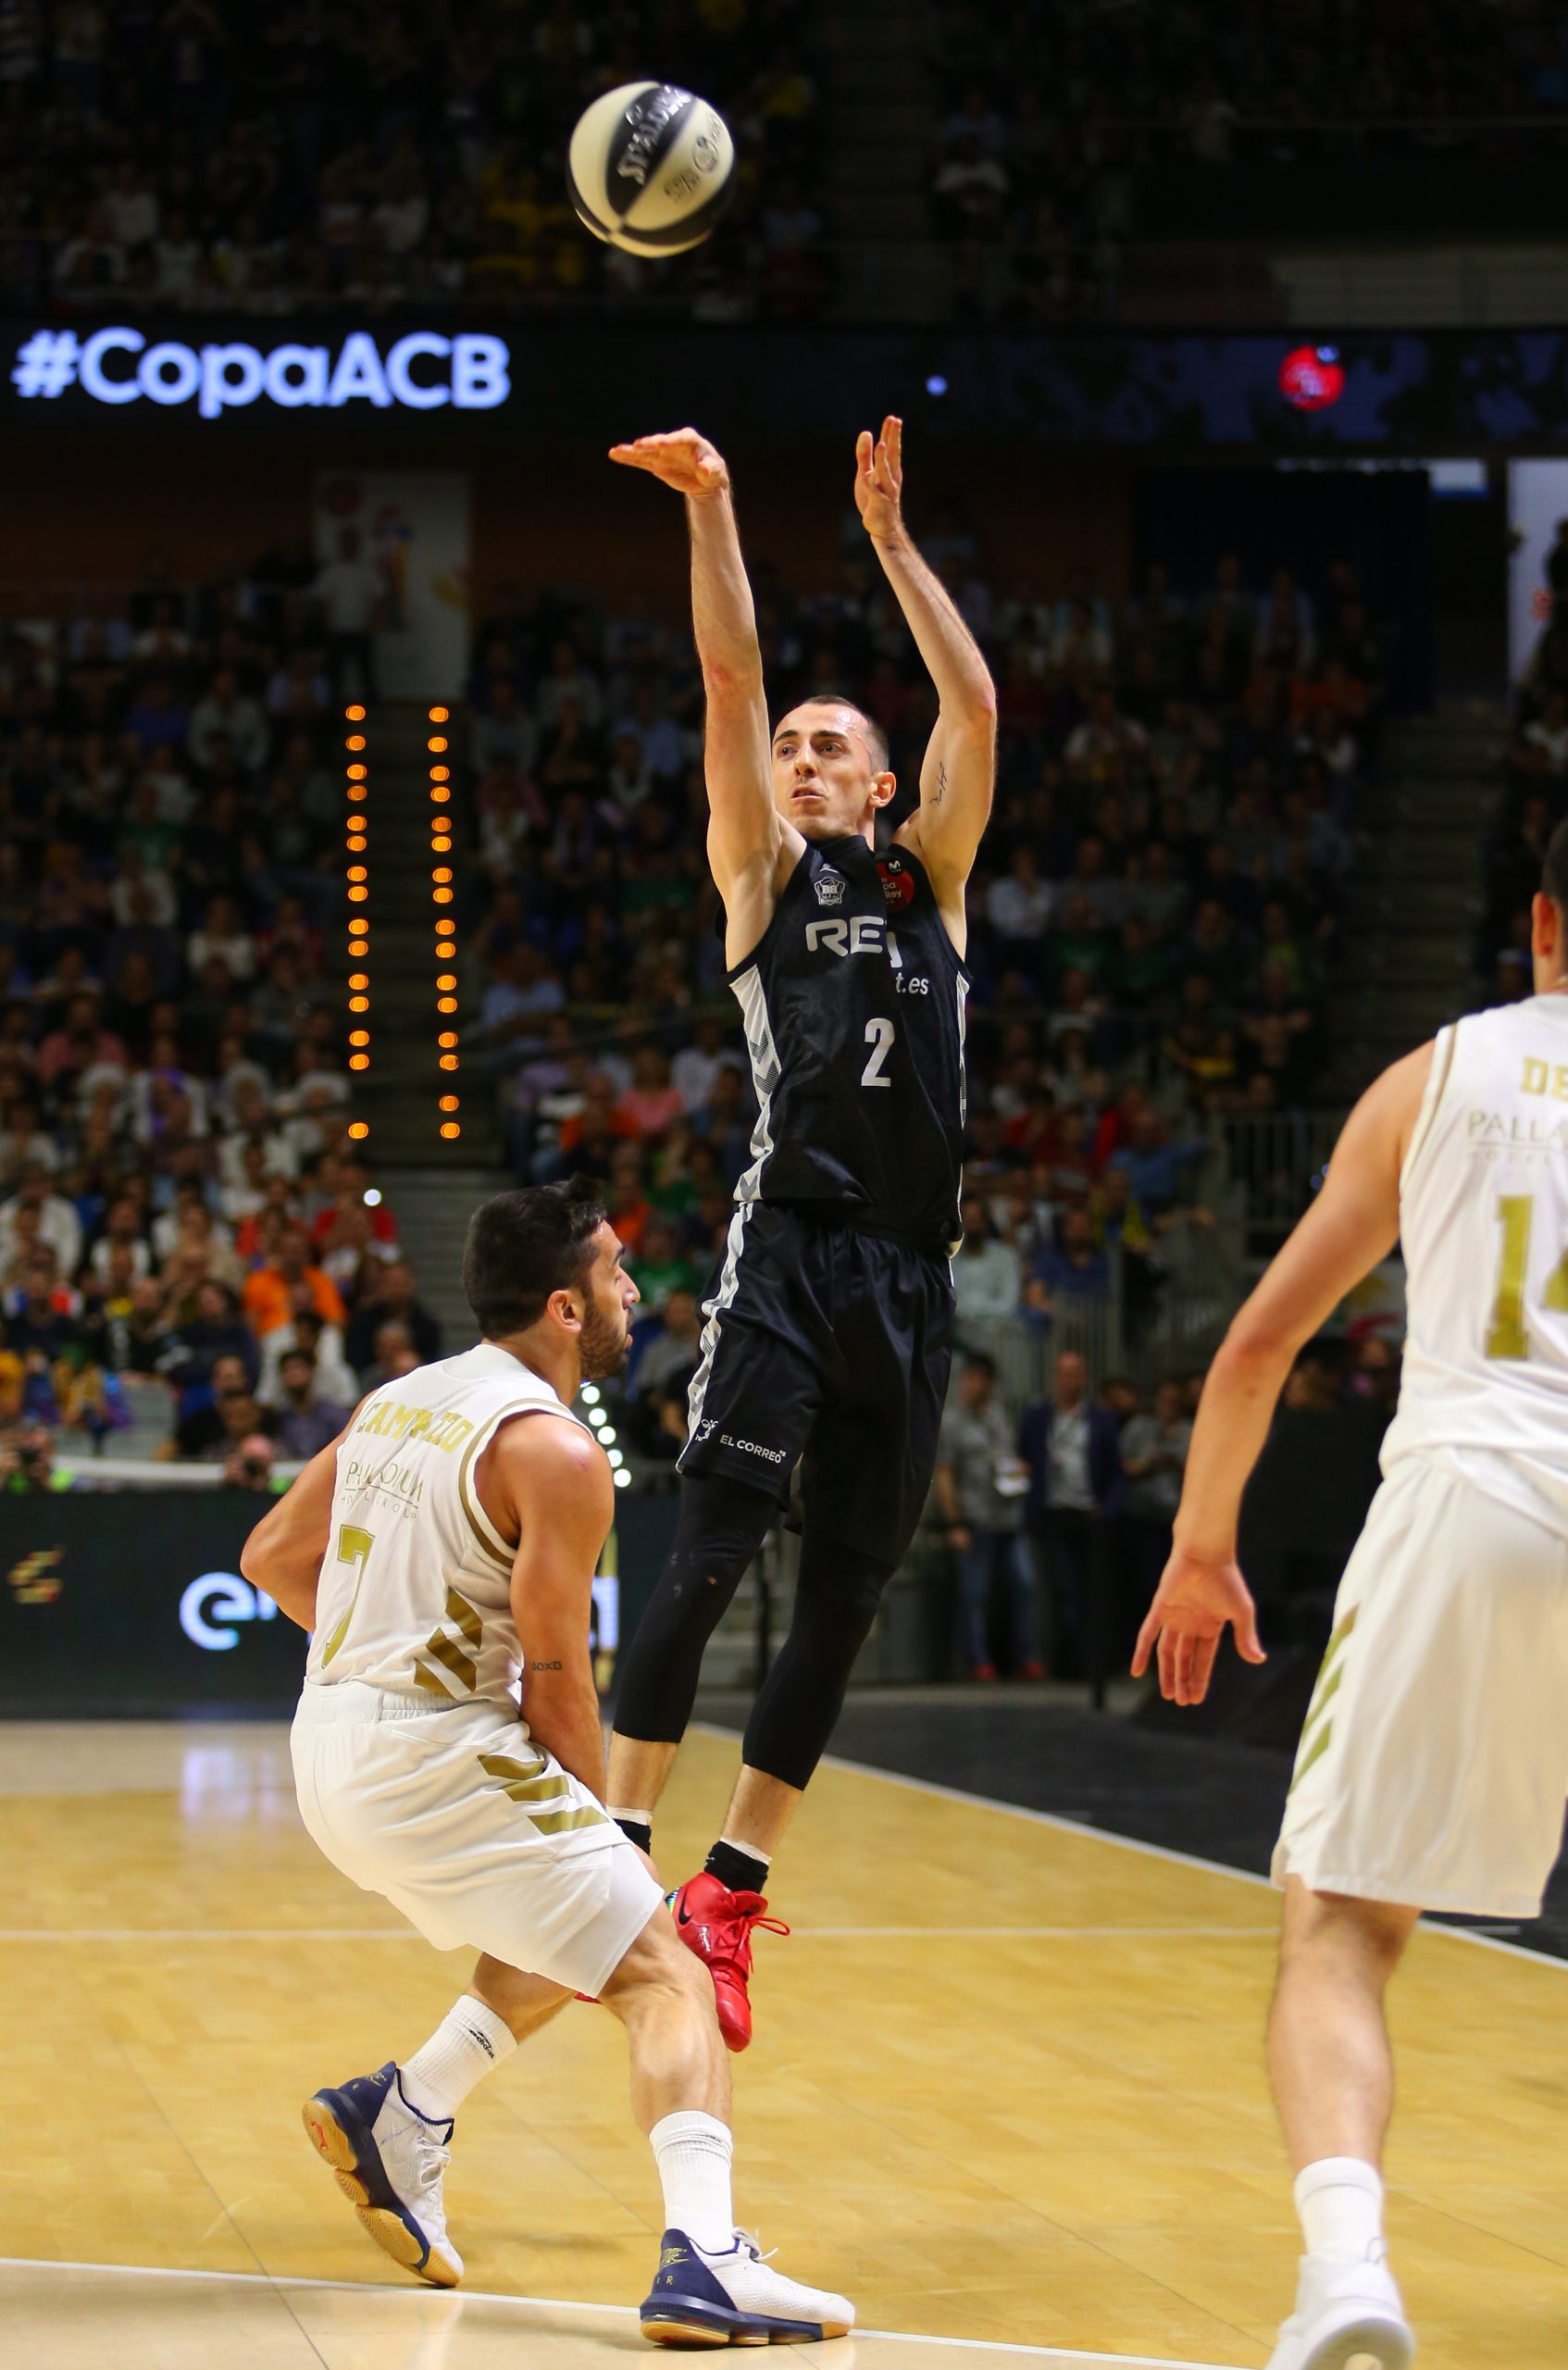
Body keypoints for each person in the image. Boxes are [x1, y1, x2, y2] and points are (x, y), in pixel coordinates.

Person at [241, 1182, 851, 2344]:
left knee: (575, 1923)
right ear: (565, 1308)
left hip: (327, 1747)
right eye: (615, 1271)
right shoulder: (555, 1450)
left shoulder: (394, 1401)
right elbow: (557, 1678)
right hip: (437, 1757)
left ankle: (402, 2113)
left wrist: (381, 1657)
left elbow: (270, 1555)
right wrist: (609, 1826)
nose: (632, 1289)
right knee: (664, 1971)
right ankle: (707, 2258)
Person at [1134, 816, 1568, 2370]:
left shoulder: (1435, 1076)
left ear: (1538, 922)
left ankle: (1345, 2274)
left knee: (1337, 1922)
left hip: (1474, 1496)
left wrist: (1200, 1545)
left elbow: (1258, 1342)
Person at [604, 417, 995, 2048]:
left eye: (831, 746)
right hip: (788, 1254)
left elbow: (974, 706)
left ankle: (729, 1886)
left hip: (910, 1278)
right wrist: (714, 508)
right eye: (792, 747)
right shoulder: (760, 875)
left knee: (840, 1595)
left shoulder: (931, 881)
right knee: (706, 1561)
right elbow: (725, 678)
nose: (803, 759)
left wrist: (891, 542)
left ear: (883, 784)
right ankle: (610, 1859)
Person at [933, 1353, 1040, 1681]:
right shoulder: (953, 1423)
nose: (975, 1385)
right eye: (971, 1377)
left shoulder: (1000, 1418)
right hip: (975, 1521)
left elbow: (1009, 1459)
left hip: (1008, 1518)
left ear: (991, 1383)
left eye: (982, 1378)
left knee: (1024, 1584)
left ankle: (1025, 1656)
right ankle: (978, 1660)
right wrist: (954, 1523)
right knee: (974, 1594)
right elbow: (944, 1475)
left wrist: (1019, 1472)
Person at [1020, 1351, 1122, 1678]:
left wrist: (1107, 1508)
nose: (1070, 1380)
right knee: (1061, 1589)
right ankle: (1068, 1662)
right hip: (1053, 1515)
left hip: (1089, 1516)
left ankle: (1091, 1661)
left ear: (1084, 1378)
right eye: (1064, 1373)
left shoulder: (1100, 1420)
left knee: (1090, 1590)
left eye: (1075, 1373)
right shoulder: (1038, 1418)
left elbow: (1115, 1471)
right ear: (1055, 1377)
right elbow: (1024, 1459)